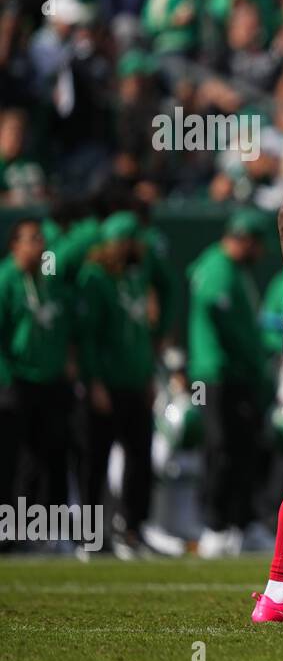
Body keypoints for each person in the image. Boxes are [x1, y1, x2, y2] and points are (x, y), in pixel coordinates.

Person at [189, 208, 275, 558]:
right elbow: (222, 320)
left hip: (238, 374)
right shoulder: (217, 270)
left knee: (244, 449)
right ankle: (214, 524)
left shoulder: (234, 272)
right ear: (245, 239)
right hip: (218, 375)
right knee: (220, 448)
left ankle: (240, 521)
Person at [77, 211, 159, 556]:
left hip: (136, 381)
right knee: (95, 460)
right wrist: (92, 381)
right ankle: (91, 535)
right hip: (106, 383)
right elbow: (87, 336)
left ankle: (132, 528)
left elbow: (144, 332)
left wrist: (150, 374)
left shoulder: (136, 277)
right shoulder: (93, 279)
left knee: (140, 457)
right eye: (128, 241)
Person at [0, 218, 72, 538]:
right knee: (11, 458)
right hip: (15, 379)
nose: (39, 246)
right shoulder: (5, 280)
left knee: (47, 457)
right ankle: (8, 532)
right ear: (14, 244)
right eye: (31, 239)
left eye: (41, 239)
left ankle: (39, 531)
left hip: (49, 380)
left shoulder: (48, 281)